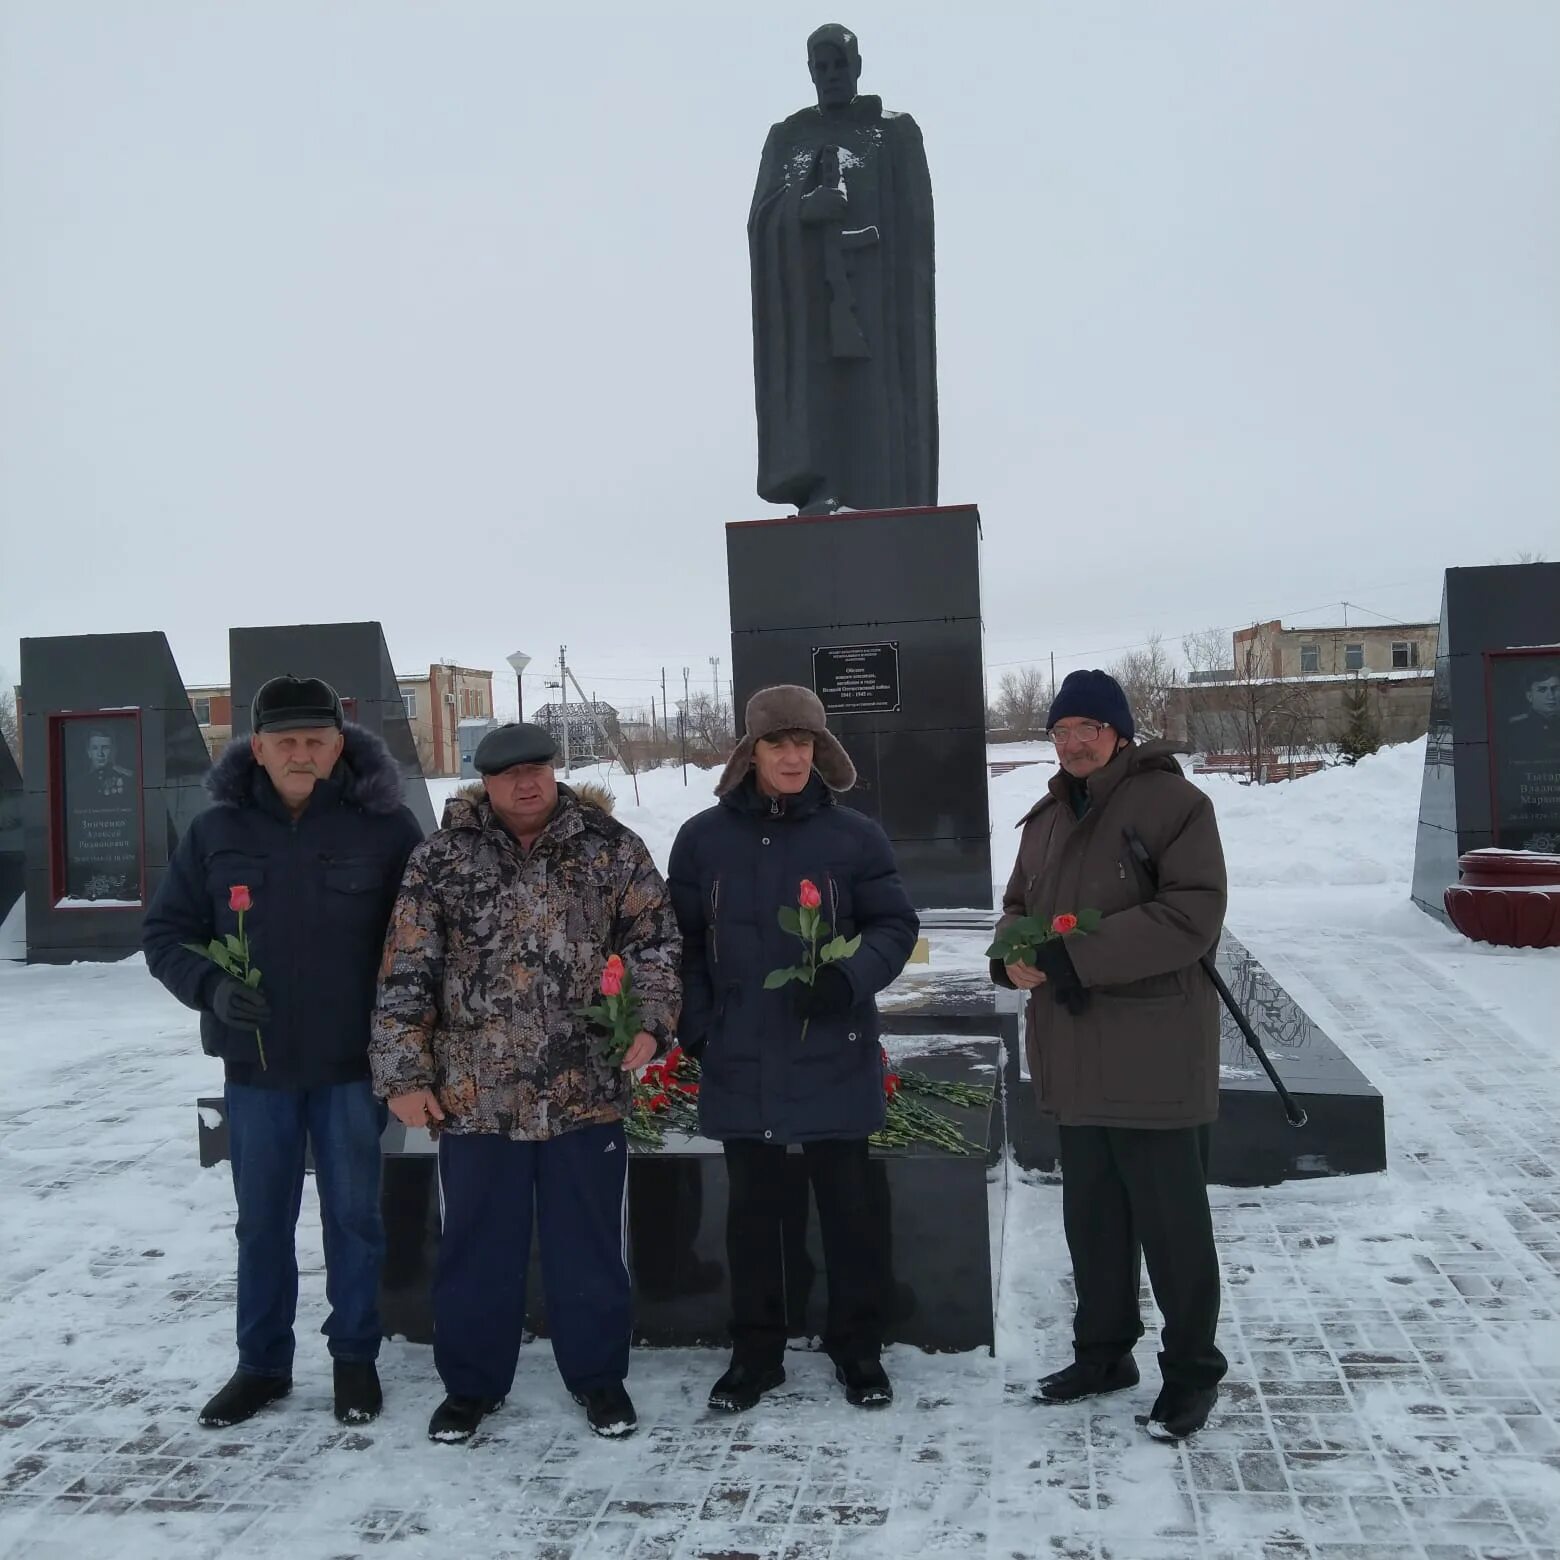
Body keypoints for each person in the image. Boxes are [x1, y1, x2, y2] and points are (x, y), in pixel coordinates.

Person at [370, 723, 680, 1445]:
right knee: (476, 1247)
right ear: (485, 782)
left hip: (585, 1089)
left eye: (537, 768)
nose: (527, 783)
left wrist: (651, 1022)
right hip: (478, 1096)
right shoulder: (440, 861)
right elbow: (405, 972)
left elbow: (656, 943)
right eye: (509, 774)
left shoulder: (612, 848)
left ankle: (599, 1378)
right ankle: (472, 1386)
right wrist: (403, 1073)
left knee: (591, 1246)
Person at [143, 676, 425, 1429]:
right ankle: (262, 1364)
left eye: (316, 741)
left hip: (352, 1070)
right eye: (286, 742)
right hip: (257, 1073)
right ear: (258, 748)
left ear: (339, 746)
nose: (302, 754)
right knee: (261, 1223)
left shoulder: (388, 828)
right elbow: (164, 935)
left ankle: (354, 1360)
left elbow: (425, 942)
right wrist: (210, 988)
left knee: (354, 1222)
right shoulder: (216, 832)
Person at [992, 669, 1229, 1442]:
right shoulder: (1046, 817)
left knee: (1172, 1227)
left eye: (1088, 728)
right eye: (1062, 731)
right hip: (1073, 1049)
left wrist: (1071, 956)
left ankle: (1191, 1373)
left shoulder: (1175, 806)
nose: (1073, 743)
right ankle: (1103, 1355)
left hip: (1153, 1051)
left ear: (1120, 733)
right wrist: (1009, 957)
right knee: (1092, 1220)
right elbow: (1019, 907)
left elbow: (1192, 915)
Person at [668, 685, 918, 1413]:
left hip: (830, 1051)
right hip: (741, 1055)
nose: (791, 756)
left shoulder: (855, 837)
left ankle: (857, 1348)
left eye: (804, 743)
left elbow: (893, 926)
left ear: (821, 751)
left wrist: (847, 981)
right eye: (778, 744)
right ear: (751, 754)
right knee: (754, 1216)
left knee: (849, 1209)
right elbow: (679, 942)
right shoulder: (702, 839)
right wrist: (699, 1024)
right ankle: (757, 1351)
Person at [749, 23, 937, 514]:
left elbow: (916, 226)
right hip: (810, 298)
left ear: (856, 67)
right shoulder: (789, 137)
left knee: (874, 398)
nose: (831, 76)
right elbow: (761, 217)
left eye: (839, 65)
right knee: (821, 395)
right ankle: (824, 487)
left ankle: (882, 494)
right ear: (811, 73)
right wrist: (804, 210)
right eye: (821, 67)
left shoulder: (890, 132)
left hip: (876, 300)